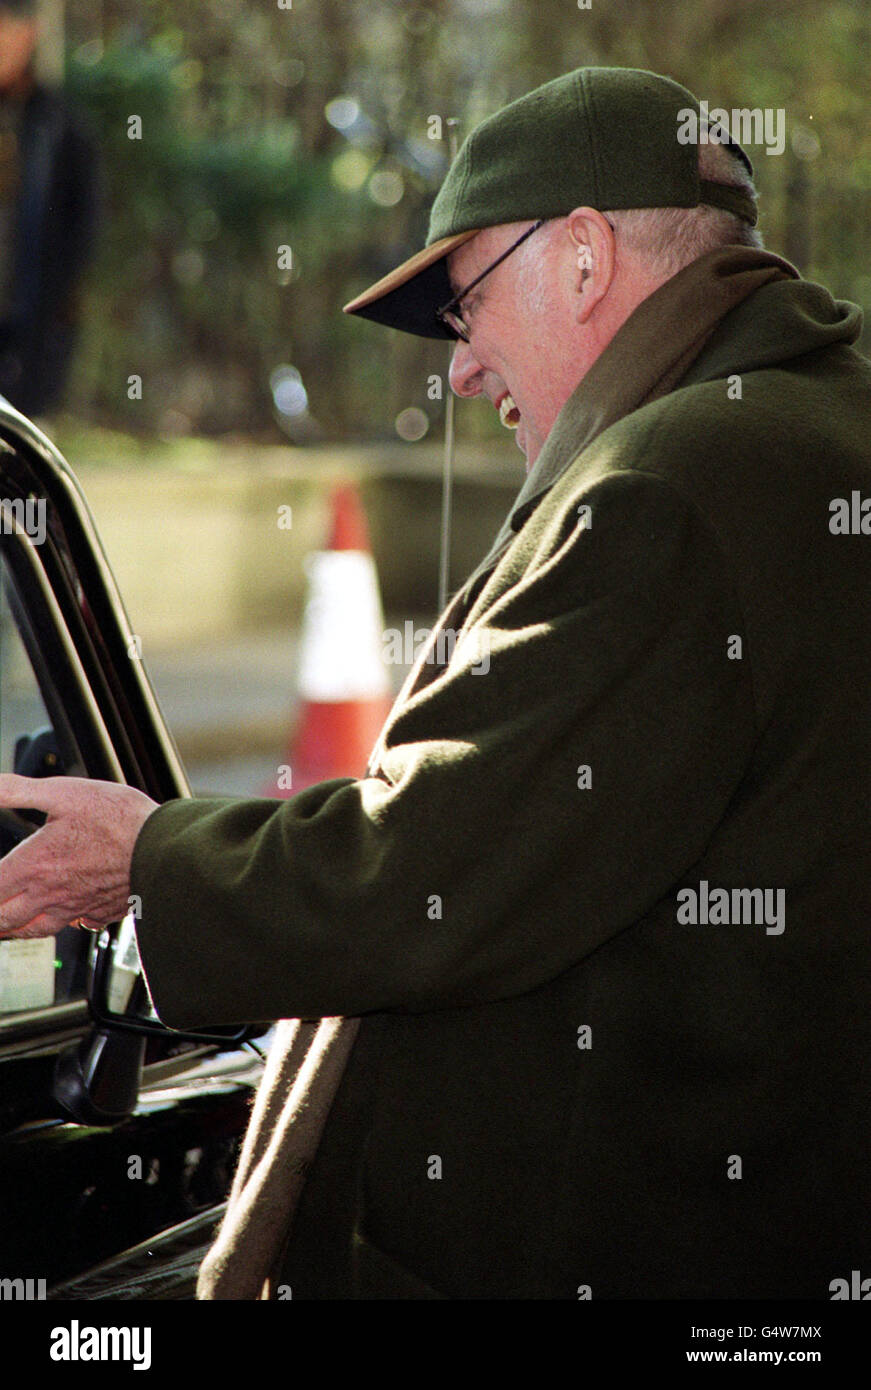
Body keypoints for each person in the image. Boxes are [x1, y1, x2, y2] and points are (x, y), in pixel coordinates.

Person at [0, 66, 869, 1299]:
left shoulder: (663, 488)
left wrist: (146, 861)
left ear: (583, 258)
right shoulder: (815, 430)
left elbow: (431, 869)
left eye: (465, 307)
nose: (459, 371)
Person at [0, 0, 100, 417]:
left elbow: (82, 228)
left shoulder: (59, 127)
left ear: (28, 34)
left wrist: (57, 313)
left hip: (27, 322)